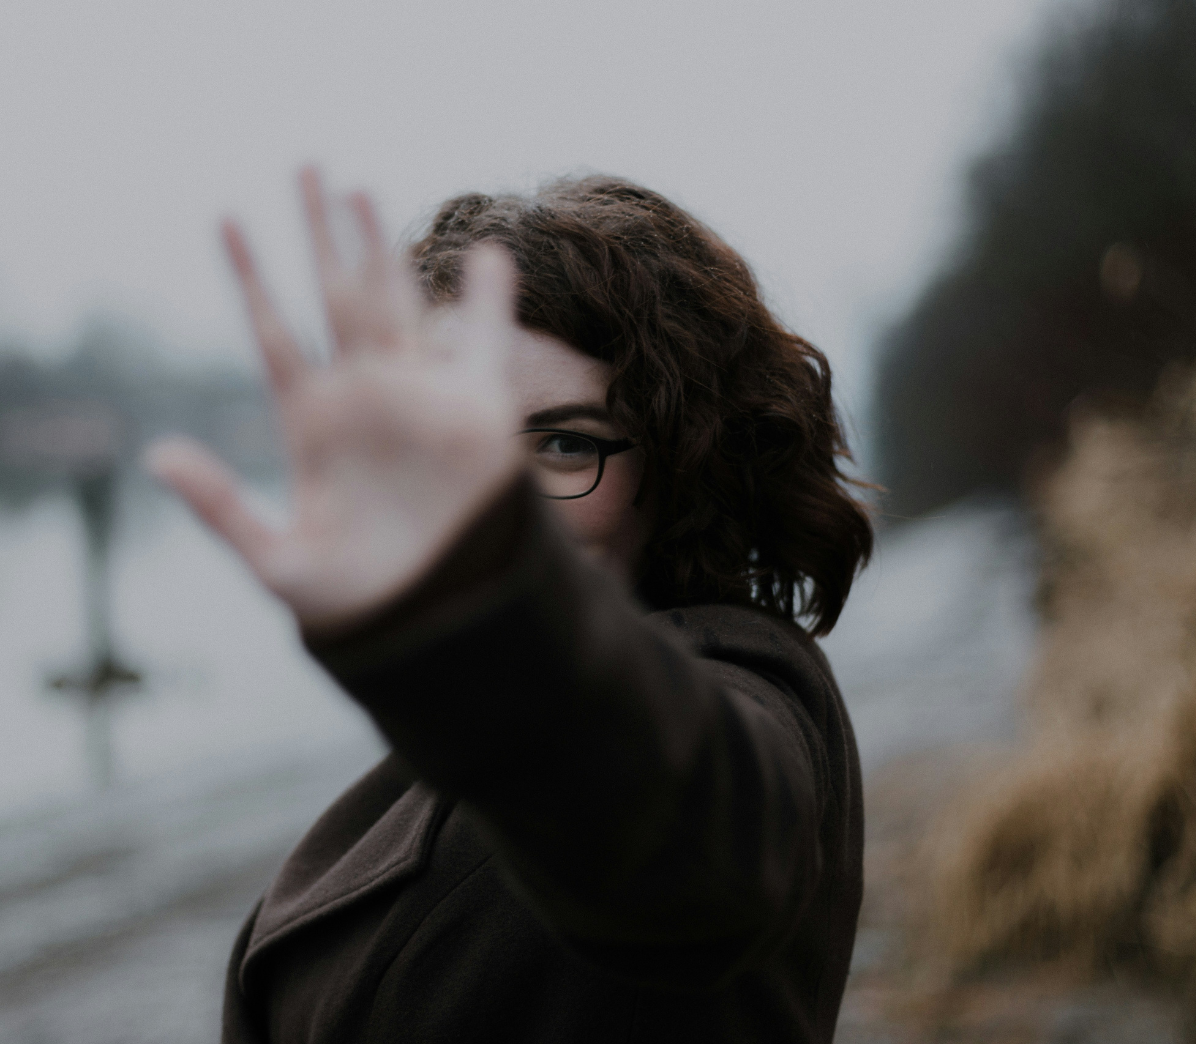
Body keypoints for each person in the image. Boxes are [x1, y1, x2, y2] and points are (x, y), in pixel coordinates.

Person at [149, 169, 875, 1043]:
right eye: (457, 440)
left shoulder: (742, 691)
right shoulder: (465, 736)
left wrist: (486, 604)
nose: (490, 500)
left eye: (564, 444)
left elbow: (702, 861)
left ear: (690, 462)